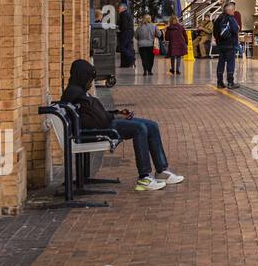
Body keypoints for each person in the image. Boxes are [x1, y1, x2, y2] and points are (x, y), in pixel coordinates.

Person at [61, 59, 184, 192]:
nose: (91, 84)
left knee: (152, 126)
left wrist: (117, 113)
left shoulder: (79, 90)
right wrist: (114, 116)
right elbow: (94, 119)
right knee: (139, 128)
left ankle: (161, 170)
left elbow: (95, 114)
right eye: (89, 79)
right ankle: (144, 177)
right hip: (101, 130)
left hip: (105, 124)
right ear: (82, 76)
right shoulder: (74, 93)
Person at [212, 1, 241, 89]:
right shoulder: (231, 18)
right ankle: (230, 82)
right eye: (233, 10)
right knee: (230, 63)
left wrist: (218, 41)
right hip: (230, 45)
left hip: (220, 45)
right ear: (231, 10)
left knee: (220, 63)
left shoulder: (219, 18)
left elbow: (215, 31)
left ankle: (219, 82)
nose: (233, 12)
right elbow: (235, 30)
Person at [117, 1, 135, 69]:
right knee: (127, 47)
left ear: (123, 8)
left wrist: (119, 29)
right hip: (129, 32)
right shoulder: (128, 14)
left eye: (119, 8)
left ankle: (131, 57)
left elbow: (124, 25)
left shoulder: (123, 14)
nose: (118, 9)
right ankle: (127, 63)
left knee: (122, 47)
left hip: (125, 33)